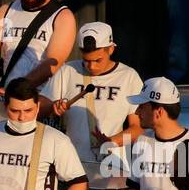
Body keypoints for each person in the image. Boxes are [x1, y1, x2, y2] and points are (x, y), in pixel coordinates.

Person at [39, 23, 143, 169]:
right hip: (71, 165)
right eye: (86, 61)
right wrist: (53, 106)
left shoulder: (129, 77)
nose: (92, 66)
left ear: (111, 49)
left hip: (111, 168)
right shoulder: (68, 71)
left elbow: (138, 129)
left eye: (98, 60)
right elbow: (39, 107)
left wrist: (111, 142)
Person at [123, 76, 189, 190]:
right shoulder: (142, 141)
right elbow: (134, 187)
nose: (137, 112)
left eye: (142, 106)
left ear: (159, 112)